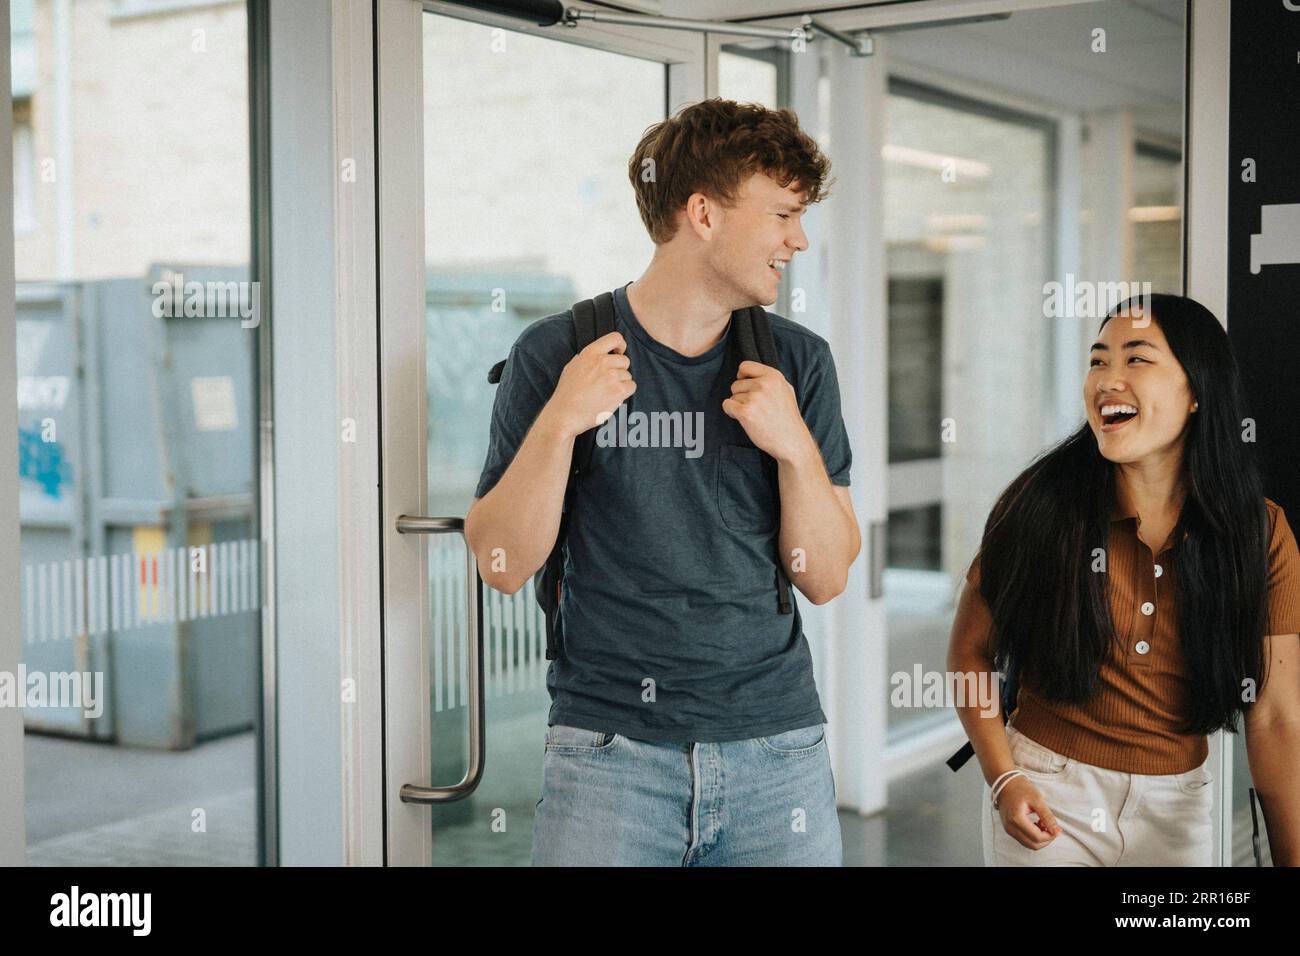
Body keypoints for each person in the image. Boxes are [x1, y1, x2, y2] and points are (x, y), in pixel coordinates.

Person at [464, 98, 860, 866]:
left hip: (778, 756)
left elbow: (829, 577)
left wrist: (796, 451)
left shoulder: (799, 363)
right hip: (609, 757)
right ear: (704, 213)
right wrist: (560, 422)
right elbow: (502, 565)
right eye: (782, 213)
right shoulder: (557, 354)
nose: (797, 239)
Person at [948, 293, 1300, 866]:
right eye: (1097, 360)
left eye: (1136, 359)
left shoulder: (1259, 532)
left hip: (1179, 806)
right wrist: (1004, 778)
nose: (1108, 379)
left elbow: (1276, 715)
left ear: (1196, 392)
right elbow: (969, 654)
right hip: (1048, 791)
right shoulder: (1040, 506)